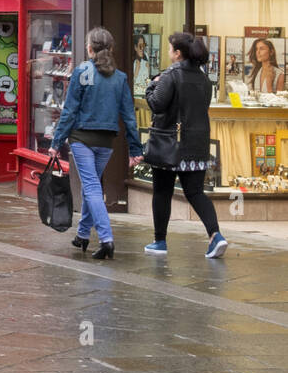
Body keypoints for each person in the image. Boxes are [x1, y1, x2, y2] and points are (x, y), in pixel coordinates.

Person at [50, 27, 144, 261]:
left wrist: (56, 141)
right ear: (111, 48)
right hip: (106, 142)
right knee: (91, 187)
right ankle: (82, 235)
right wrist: (135, 149)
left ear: (89, 48)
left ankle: (106, 239)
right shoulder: (120, 77)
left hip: (82, 138)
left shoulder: (82, 71)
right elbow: (129, 116)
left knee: (91, 188)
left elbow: (69, 111)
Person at [145, 32, 227, 259]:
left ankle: (159, 241)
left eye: (170, 48)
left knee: (162, 191)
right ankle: (215, 235)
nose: (169, 52)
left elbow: (157, 104)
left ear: (177, 53)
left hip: (170, 143)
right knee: (196, 192)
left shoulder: (170, 75)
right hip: (198, 144)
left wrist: (151, 86)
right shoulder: (204, 79)